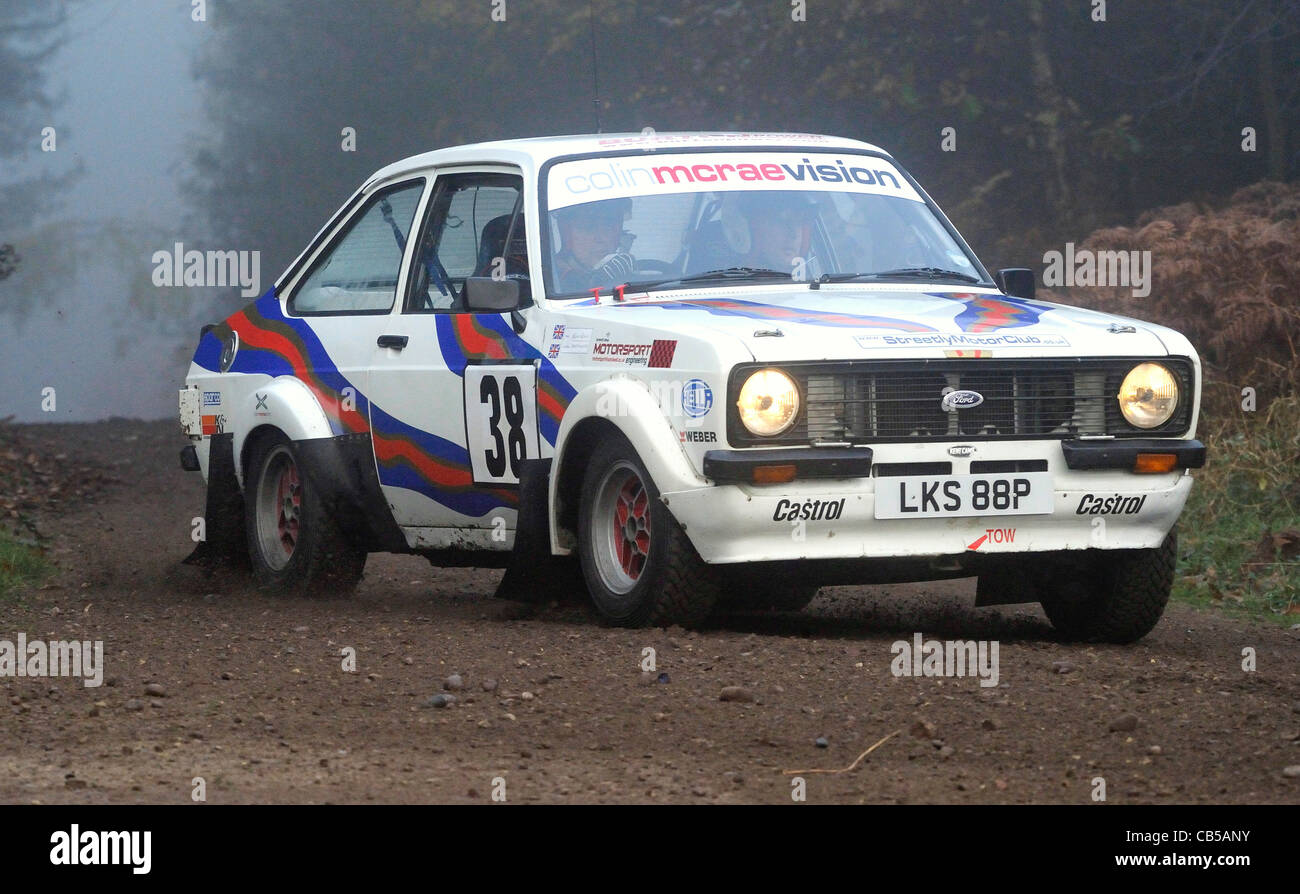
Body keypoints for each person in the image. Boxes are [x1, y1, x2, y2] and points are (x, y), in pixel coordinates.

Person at [551, 198, 636, 293]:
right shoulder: (550, 279)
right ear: (566, 234)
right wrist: (598, 280)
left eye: (608, 227)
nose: (601, 239)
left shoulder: (636, 273)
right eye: (588, 228)